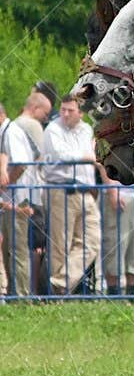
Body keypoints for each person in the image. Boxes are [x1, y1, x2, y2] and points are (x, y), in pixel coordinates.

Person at [40, 96, 101, 296]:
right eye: (63, 109)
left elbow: (87, 157)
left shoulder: (87, 129)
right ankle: (56, 294)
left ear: (81, 113)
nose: (65, 114)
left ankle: (60, 283)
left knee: (92, 241)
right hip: (61, 190)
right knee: (60, 246)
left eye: (70, 110)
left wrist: (87, 158)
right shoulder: (52, 129)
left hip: (85, 191)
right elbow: (61, 156)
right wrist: (87, 157)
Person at [0, 89, 51, 297]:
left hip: (19, 199)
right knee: (8, 248)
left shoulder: (11, 132)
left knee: (18, 249)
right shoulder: (7, 131)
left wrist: (5, 184)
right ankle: (13, 292)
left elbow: (21, 164)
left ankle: (22, 295)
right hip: (13, 198)